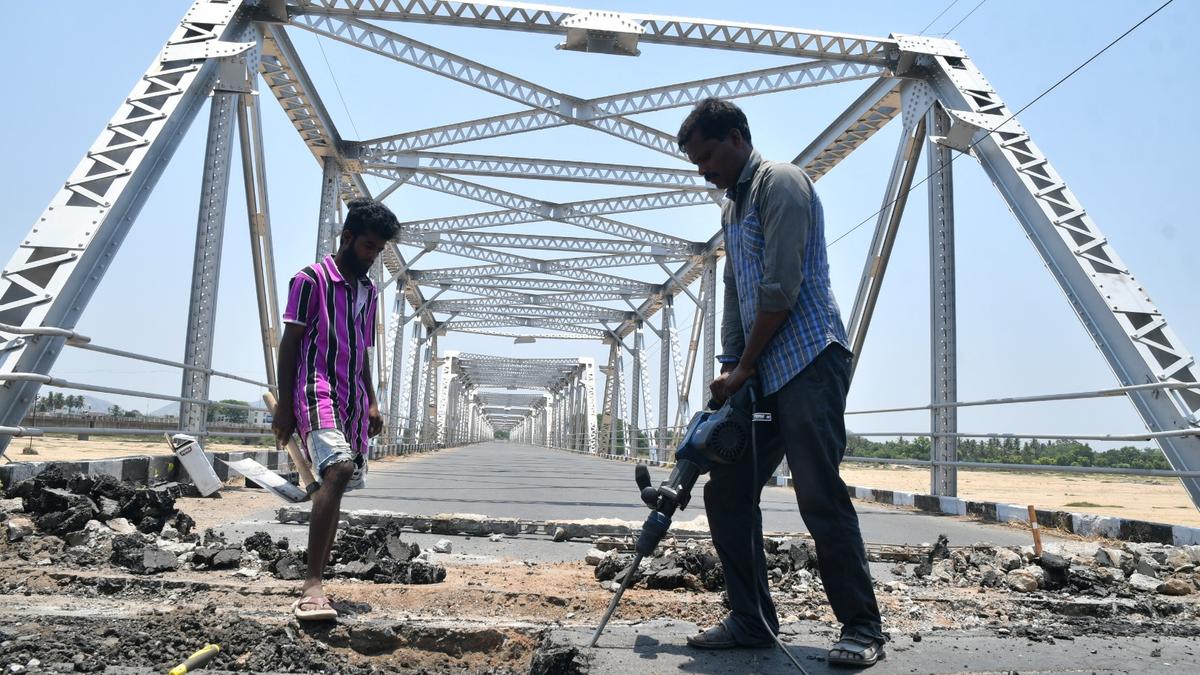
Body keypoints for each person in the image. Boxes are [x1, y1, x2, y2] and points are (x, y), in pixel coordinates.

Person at [676, 98, 886, 666]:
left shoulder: (781, 183)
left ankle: (862, 627)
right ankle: (751, 619)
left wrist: (744, 367)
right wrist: (731, 364)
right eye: (696, 163)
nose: (704, 170)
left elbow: (780, 288)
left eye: (708, 156)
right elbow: (735, 293)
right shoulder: (732, 209)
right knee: (727, 490)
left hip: (808, 361)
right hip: (761, 370)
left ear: (737, 137)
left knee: (818, 492)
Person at [272, 198, 399, 621]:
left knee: (337, 480)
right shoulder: (309, 280)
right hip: (314, 387)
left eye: (379, 249)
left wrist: (373, 400)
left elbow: (362, 350)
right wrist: (284, 405)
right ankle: (311, 586)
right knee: (340, 469)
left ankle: (318, 579)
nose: (373, 256)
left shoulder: (369, 292)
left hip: (352, 397)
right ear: (347, 238)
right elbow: (290, 343)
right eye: (368, 246)